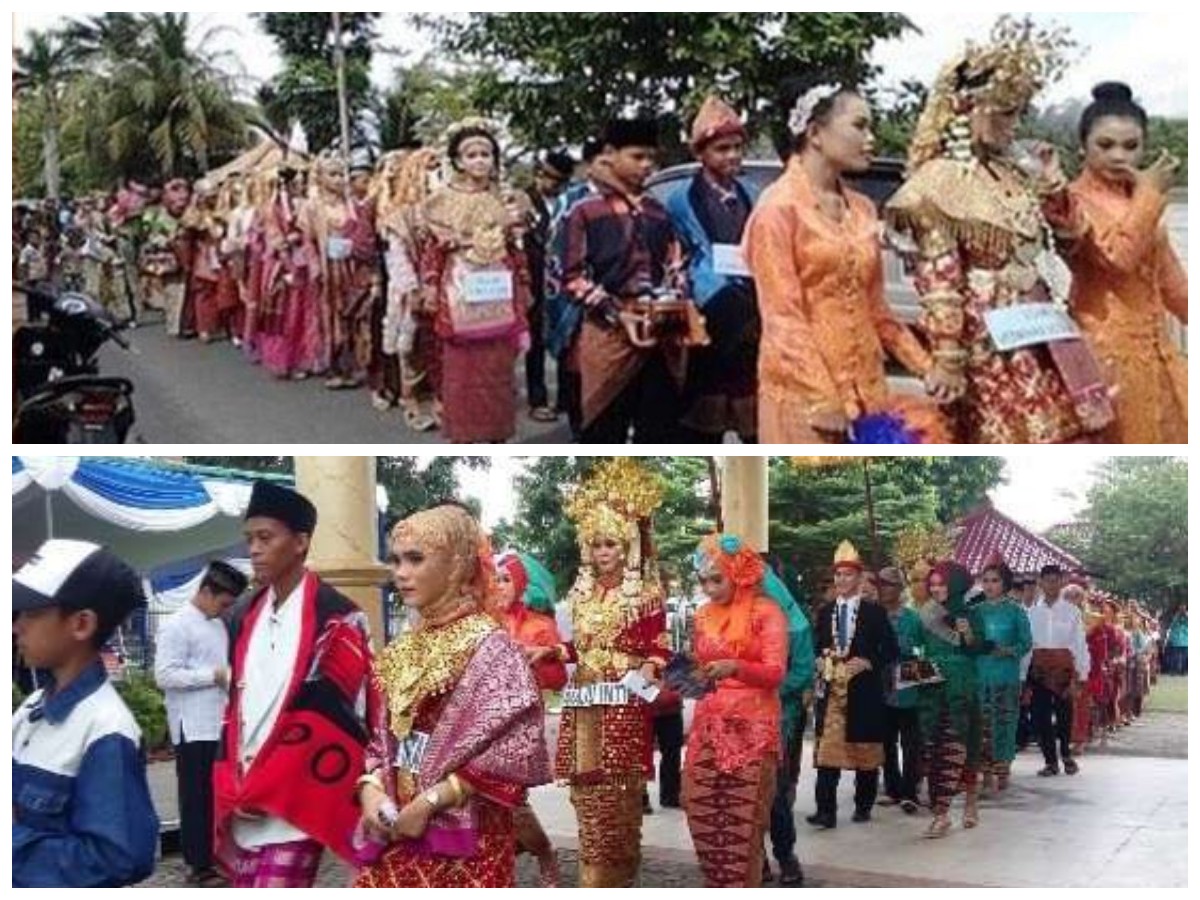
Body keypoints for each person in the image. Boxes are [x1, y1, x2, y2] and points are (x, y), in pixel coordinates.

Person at [887, 17, 1113, 443]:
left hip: (1041, 321)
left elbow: (1068, 241)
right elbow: (940, 280)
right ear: (965, 108)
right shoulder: (938, 182)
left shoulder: (1014, 171)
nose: (1014, 125)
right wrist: (949, 357)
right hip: (989, 337)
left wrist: (1052, 187)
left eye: (1018, 113)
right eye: (1005, 113)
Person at [353, 507, 553, 888]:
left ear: (456, 565)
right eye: (396, 560)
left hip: (466, 841)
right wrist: (370, 788)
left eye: (415, 559)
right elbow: (382, 741)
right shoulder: (402, 649)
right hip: (396, 829)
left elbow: (513, 747)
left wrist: (434, 800)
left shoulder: (492, 649)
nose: (400, 572)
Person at [744, 84, 936, 444]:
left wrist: (925, 367)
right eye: (859, 126)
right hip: (805, 398)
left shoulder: (862, 209)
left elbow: (877, 308)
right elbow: (782, 318)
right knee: (811, 499)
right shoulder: (777, 210)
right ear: (815, 133)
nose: (871, 138)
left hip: (868, 392)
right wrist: (822, 397)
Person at [212, 482, 375, 887]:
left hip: (298, 794)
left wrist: (272, 785)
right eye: (249, 539)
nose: (253, 549)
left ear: (300, 542)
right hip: (243, 791)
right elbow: (235, 709)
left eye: (266, 538)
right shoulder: (242, 614)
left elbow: (350, 717)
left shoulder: (338, 619)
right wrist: (237, 783)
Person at [13, 540, 158, 887]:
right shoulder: (32, 705)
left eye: (31, 613)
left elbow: (116, 859)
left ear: (81, 624)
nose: (17, 626)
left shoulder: (106, 730)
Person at [1049, 82, 1187, 443]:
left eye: (1131, 146)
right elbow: (1116, 258)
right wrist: (1150, 195)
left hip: (1158, 351)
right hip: (1103, 350)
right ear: (1083, 146)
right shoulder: (1072, 203)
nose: (1118, 156)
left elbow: (1170, 280)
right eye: (1105, 145)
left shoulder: (1142, 199)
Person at [556, 458, 671, 887]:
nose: (604, 552)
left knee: (618, 791)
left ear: (627, 545)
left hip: (622, 701)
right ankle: (591, 869)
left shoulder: (645, 593)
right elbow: (578, 646)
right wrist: (552, 650)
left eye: (611, 544)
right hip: (584, 699)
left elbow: (660, 647)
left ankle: (617, 874)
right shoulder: (582, 594)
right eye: (597, 544)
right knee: (584, 790)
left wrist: (645, 671)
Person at [561, 117, 697, 444]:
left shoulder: (657, 212)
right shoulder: (584, 211)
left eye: (651, 158)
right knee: (602, 434)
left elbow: (674, 266)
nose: (646, 165)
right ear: (610, 154)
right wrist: (617, 313)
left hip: (660, 335)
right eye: (637, 157)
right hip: (609, 335)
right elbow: (570, 277)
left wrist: (675, 299)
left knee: (660, 435)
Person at [416, 118, 531, 443]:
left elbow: (517, 249)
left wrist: (523, 282)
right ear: (456, 161)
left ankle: (497, 434)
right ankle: (466, 435)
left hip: (499, 288)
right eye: (472, 154)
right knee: (463, 369)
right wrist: (428, 285)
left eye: (486, 153)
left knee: (499, 369)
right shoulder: (440, 201)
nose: (480, 160)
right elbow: (431, 251)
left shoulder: (507, 199)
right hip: (460, 288)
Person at [683, 534, 789, 888]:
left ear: (739, 573)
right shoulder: (702, 615)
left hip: (752, 732)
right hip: (708, 728)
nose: (710, 589)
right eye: (704, 581)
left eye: (717, 579)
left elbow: (775, 673)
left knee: (743, 824)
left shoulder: (766, 611)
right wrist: (679, 676)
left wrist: (736, 667)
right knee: (701, 813)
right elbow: (699, 670)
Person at [666, 96, 762, 443]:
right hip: (709, 309)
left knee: (753, 414)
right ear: (701, 154)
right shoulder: (680, 199)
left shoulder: (753, 194)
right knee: (702, 418)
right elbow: (674, 255)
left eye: (737, 147)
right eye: (722, 149)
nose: (733, 156)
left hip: (751, 306)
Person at [153, 560, 249, 887]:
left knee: (217, 793)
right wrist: (212, 676)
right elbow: (164, 674)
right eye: (223, 603)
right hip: (191, 725)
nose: (225, 610)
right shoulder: (177, 625)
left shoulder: (218, 625)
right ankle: (199, 866)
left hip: (218, 721)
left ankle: (219, 855)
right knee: (195, 797)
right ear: (206, 591)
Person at [809, 541, 899, 828]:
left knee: (865, 750)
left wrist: (868, 661)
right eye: (838, 575)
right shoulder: (825, 613)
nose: (842, 580)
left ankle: (863, 805)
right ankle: (826, 810)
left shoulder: (874, 612)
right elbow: (816, 647)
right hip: (833, 693)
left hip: (864, 692)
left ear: (860, 579)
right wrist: (820, 661)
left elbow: (892, 650)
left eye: (848, 575)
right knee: (827, 752)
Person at [494, 551, 568, 886]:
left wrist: (535, 660)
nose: (499, 585)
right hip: (486, 721)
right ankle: (507, 857)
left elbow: (557, 680)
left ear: (522, 584)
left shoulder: (541, 625)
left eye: (506, 579)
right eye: (496, 579)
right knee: (491, 797)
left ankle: (543, 851)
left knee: (511, 795)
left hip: (521, 721)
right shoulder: (487, 621)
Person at [918, 562, 983, 838]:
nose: (936, 589)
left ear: (955, 585)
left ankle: (970, 802)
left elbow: (976, 648)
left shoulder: (972, 614)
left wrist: (967, 632)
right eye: (932, 584)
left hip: (962, 687)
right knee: (934, 750)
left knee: (962, 746)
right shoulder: (925, 613)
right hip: (932, 687)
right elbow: (918, 648)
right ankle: (941, 814)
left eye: (941, 583)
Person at [306, 156, 381, 391]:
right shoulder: (312, 207)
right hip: (329, 270)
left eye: (341, 174)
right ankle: (334, 366)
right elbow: (307, 241)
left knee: (355, 314)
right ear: (320, 178)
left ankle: (355, 365)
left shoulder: (352, 205)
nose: (339, 179)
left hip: (352, 266)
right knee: (331, 316)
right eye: (333, 174)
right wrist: (315, 267)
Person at [763, 558, 815, 888]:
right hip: (737, 719)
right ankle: (753, 857)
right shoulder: (736, 617)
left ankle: (785, 856)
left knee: (776, 790)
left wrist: (763, 687)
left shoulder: (795, 623)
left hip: (780, 716)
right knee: (744, 791)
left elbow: (801, 671)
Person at [253, 164, 327, 381]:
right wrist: (288, 262)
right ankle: (283, 360)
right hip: (281, 266)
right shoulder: (271, 209)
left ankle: (305, 357)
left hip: (303, 263)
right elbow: (274, 239)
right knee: (287, 315)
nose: (298, 186)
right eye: (294, 183)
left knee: (306, 313)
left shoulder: (303, 205)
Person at [1022, 564, 1090, 778]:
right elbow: (1026, 646)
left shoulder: (1072, 611)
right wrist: (1022, 675)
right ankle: (1050, 761)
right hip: (1039, 668)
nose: (1051, 584)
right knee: (1040, 716)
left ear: (1062, 583)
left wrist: (1082, 672)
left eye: (1056, 580)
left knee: (1064, 714)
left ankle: (1066, 754)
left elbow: (1079, 643)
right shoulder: (1031, 613)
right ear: (1040, 583)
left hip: (1063, 669)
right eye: (1047, 580)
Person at [524, 150, 576, 423]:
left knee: (566, 337)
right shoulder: (523, 201)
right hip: (533, 278)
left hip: (563, 281)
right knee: (535, 342)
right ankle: (537, 398)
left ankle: (566, 399)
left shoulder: (570, 202)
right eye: (548, 177)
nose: (551, 184)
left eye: (558, 180)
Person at [972, 558, 1033, 792]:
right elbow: (967, 643)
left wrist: (1007, 650)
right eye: (985, 581)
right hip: (979, 676)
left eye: (995, 581)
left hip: (1006, 677)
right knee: (981, 724)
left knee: (1004, 723)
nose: (989, 585)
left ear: (1005, 583)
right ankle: (984, 770)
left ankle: (1003, 767)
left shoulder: (1015, 611)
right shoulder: (974, 612)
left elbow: (1026, 643)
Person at [877, 566, 924, 814]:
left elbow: (923, 651)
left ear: (900, 589)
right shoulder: (873, 615)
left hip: (908, 686)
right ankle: (892, 789)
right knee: (886, 742)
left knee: (910, 743)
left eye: (891, 584)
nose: (885, 589)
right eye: (882, 584)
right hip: (880, 686)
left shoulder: (913, 618)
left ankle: (910, 792)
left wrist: (909, 652)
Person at [1165, 603, 1187, 675]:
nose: (1182, 610)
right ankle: (1174, 671)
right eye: (1181, 609)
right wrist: (1179, 614)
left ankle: (1183, 671)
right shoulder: (1176, 618)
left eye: (1184, 609)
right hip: (1176, 642)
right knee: (1175, 657)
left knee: (1184, 658)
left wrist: (1185, 613)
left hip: (1185, 642)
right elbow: (1172, 624)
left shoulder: (1186, 619)